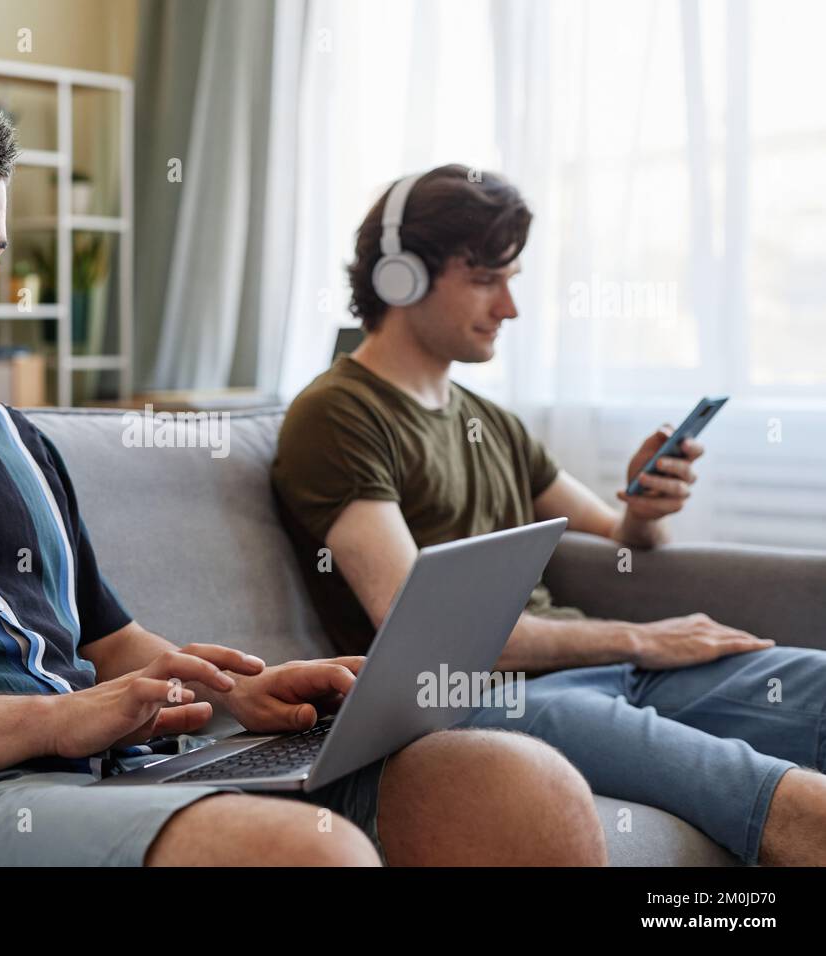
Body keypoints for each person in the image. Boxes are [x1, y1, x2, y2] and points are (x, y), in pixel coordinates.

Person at [0, 94, 606, 868]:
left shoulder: (10, 438)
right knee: (301, 852)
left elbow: (107, 643)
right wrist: (56, 717)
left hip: (125, 771)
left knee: (512, 778)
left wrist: (243, 690)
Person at [271, 163, 826, 866]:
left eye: (513, 279)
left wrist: (646, 506)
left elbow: (620, 539)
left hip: (598, 668)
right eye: (485, 279)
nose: (510, 307)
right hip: (475, 704)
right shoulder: (338, 415)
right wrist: (641, 639)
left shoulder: (490, 423)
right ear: (400, 278)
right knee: (768, 791)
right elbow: (431, 639)